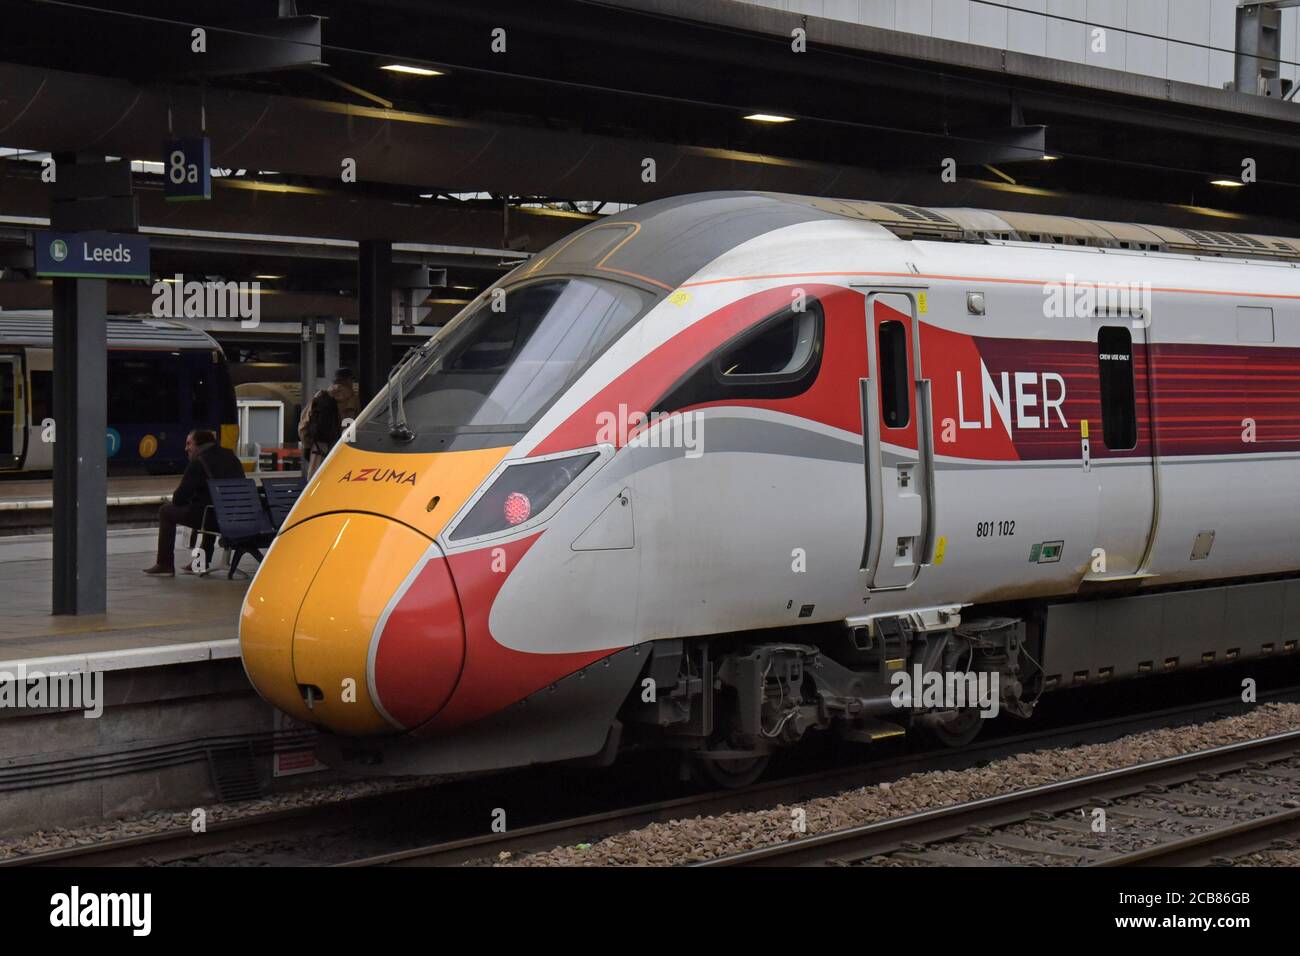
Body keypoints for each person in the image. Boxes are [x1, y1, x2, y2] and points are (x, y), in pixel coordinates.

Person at [142, 428, 245, 576]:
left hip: (214, 518)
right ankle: (201, 562)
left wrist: (191, 498)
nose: (186, 448)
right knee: (210, 507)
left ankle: (164, 563)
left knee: (166, 511)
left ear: (198, 444)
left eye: (189, 443)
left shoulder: (199, 461)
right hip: (238, 516)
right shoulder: (230, 456)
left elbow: (179, 497)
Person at [297, 388, 341, 479]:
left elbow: (303, 427)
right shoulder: (335, 404)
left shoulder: (315, 403)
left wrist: (307, 445)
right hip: (334, 443)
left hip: (317, 445)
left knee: (314, 477)